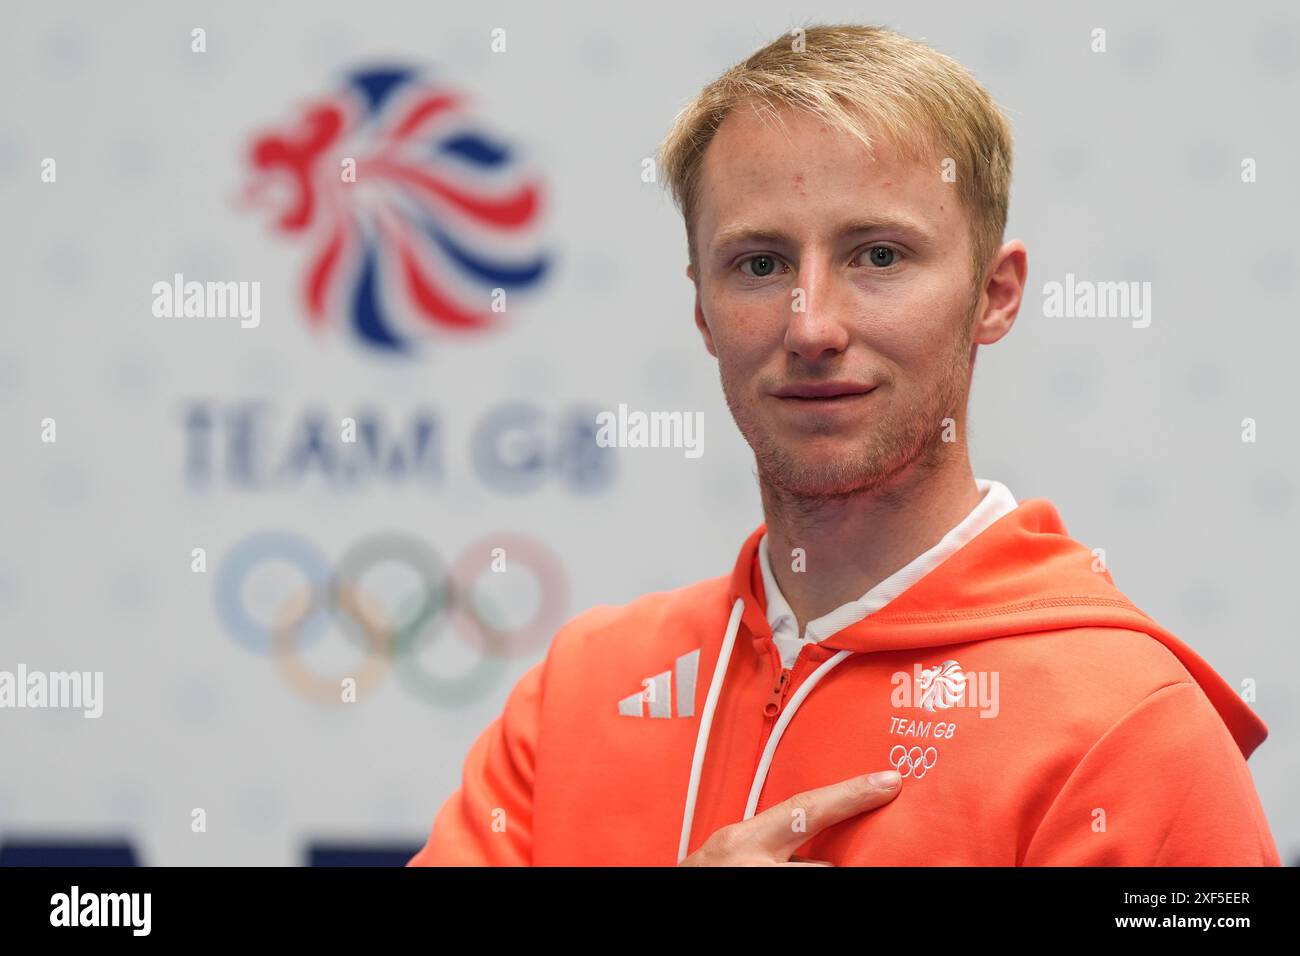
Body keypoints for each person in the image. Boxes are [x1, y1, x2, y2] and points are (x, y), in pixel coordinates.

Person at [409, 23, 1281, 866]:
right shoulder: (582, 692)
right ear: (701, 310)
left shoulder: (1127, 723)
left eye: (878, 255)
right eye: (760, 264)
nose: (813, 325)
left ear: (995, 294)